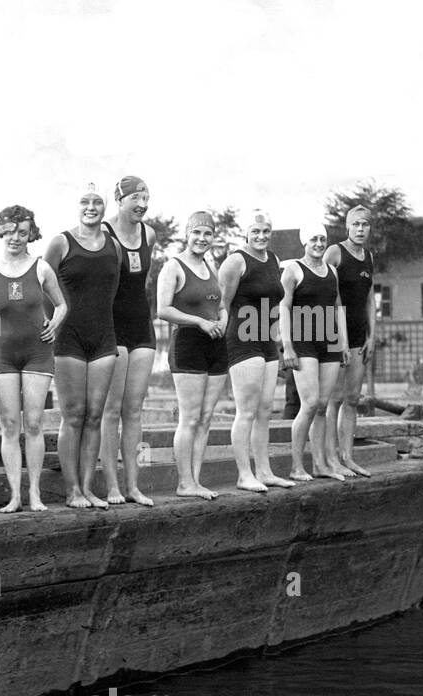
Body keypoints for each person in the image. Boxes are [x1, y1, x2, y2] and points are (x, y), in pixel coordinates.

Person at [0, 205, 64, 513]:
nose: (15, 238)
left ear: (31, 234)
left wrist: (55, 322)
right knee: (10, 425)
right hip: (2, 356)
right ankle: (15, 495)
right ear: (0, 231)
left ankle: (35, 493)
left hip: (37, 353)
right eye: (10, 231)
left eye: (22, 232)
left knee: (35, 423)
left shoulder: (40, 268)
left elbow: (61, 305)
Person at [44, 184, 120, 509]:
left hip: (103, 336)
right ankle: (72, 489)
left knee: (95, 415)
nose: (91, 207)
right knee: (73, 415)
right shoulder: (61, 242)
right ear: (76, 206)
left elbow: (112, 290)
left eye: (97, 202)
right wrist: (51, 325)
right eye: (85, 202)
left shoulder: (113, 246)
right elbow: (42, 283)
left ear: (105, 208)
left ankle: (88, 488)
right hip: (69, 336)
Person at [219, 210, 294, 493]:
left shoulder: (274, 260)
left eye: (266, 231)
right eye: (255, 231)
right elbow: (222, 304)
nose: (261, 236)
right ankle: (244, 474)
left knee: (265, 410)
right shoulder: (235, 261)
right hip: (241, 338)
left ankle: (264, 470)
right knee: (247, 410)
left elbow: (278, 303)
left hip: (266, 339)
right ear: (246, 233)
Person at [157, 211, 227, 499]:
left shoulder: (210, 267)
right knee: (189, 418)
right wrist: (198, 321)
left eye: (207, 233)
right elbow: (163, 309)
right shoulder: (173, 266)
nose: (202, 238)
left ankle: (195, 480)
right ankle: (184, 482)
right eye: (197, 232)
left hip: (215, 345)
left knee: (206, 418)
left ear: (213, 237)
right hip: (188, 345)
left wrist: (223, 321)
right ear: (187, 234)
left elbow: (220, 306)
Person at [99, 176, 157, 506]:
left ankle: (133, 485)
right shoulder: (104, 233)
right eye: (136, 197)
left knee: (134, 409)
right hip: (113, 325)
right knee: (111, 410)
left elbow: (142, 282)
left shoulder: (149, 234)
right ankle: (111, 486)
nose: (142, 203)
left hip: (141, 326)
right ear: (119, 200)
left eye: (146, 197)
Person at [279, 222, 350, 481]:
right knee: (308, 404)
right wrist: (286, 345)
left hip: (329, 341)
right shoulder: (293, 270)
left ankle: (320, 464)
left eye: (322, 239)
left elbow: (338, 306)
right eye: (314, 240)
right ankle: (296, 466)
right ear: (304, 243)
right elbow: (283, 308)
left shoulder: (332, 270)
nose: (319, 244)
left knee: (322, 405)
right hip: (303, 342)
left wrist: (343, 342)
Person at [324, 205, 375, 476]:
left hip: (358, 335)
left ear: (370, 228)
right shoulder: (335, 252)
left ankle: (348, 456)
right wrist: (339, 340)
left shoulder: (368, 257)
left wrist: (372, 336)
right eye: (355, 224)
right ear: (347, 226)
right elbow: (325, 292)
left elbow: (369, 300)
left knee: (352, 399)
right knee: (333, 399)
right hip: (334, 334)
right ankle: (331, 458)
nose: (360, 229)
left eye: (365, 224)